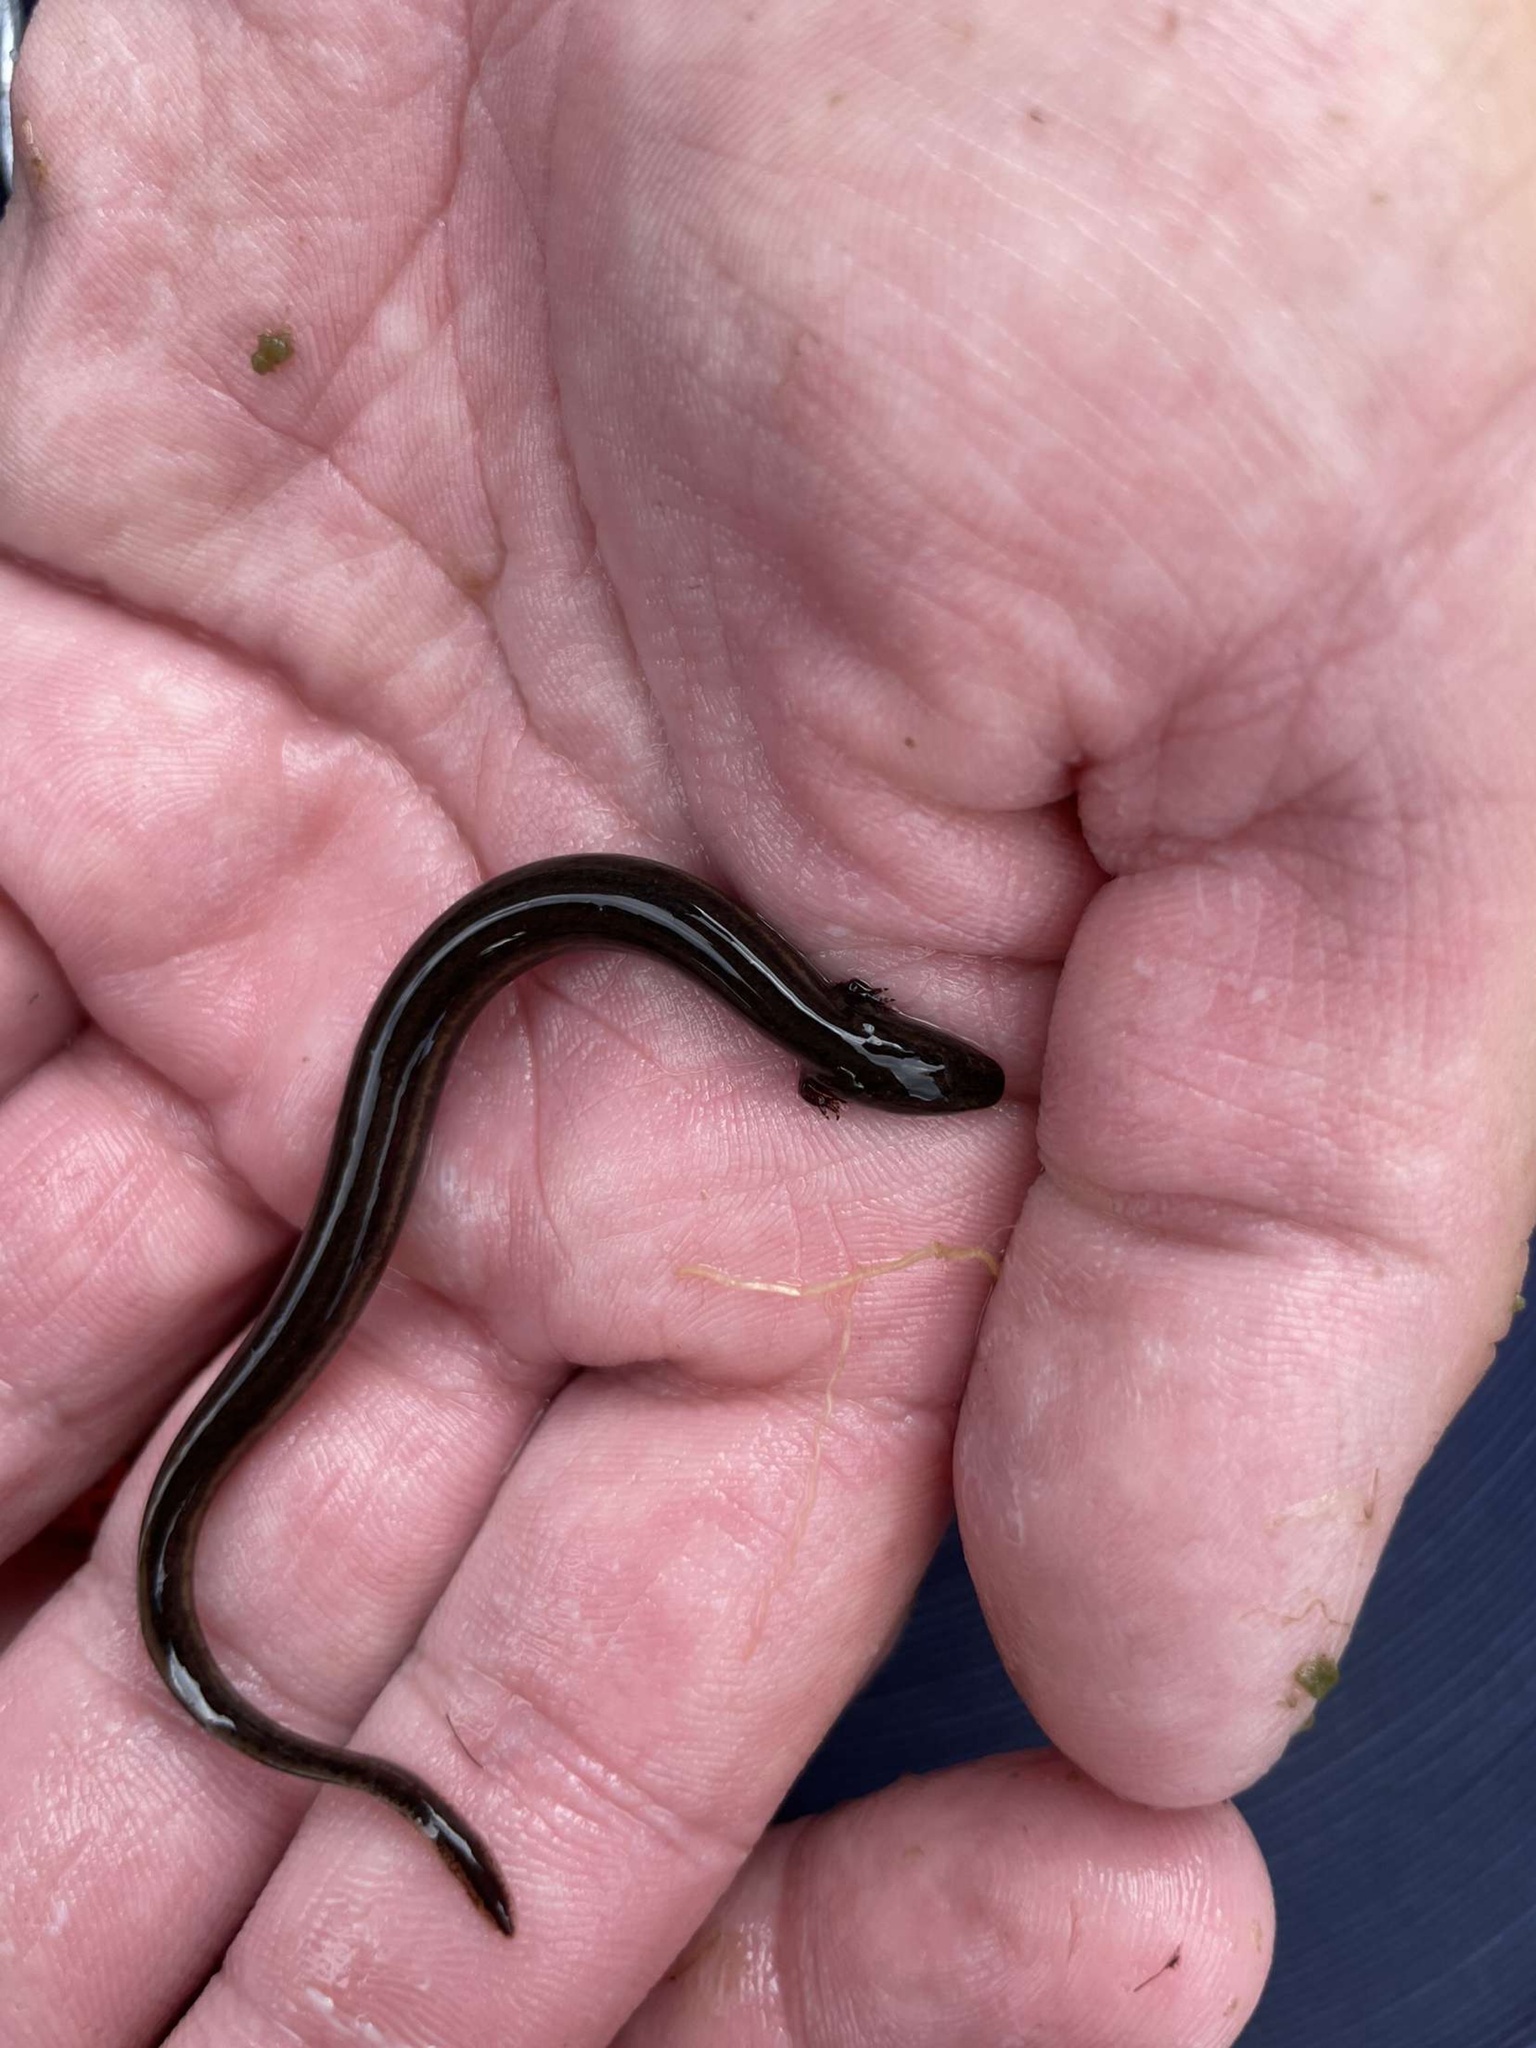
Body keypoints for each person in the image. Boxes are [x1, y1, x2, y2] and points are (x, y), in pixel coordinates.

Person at [1, 2, 1531, 2040]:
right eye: (898, 1081)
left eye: (909, 1081)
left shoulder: (835, 1024)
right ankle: (241, 1674)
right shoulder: (823, 1040)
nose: (922, 1089)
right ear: (850, 1064)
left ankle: (236, 1661)